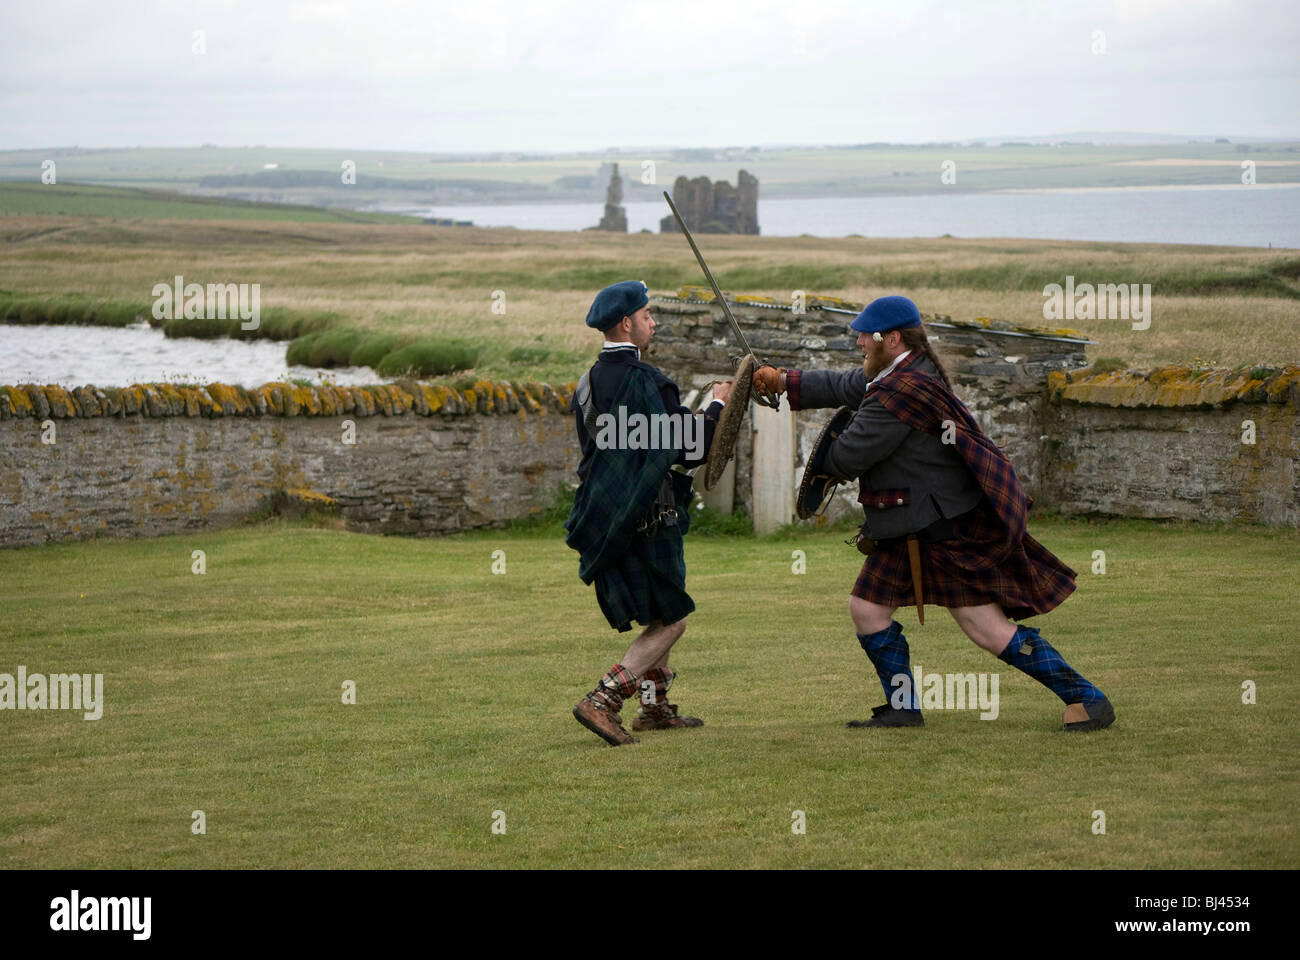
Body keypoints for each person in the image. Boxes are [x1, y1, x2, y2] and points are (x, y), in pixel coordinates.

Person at [752, 295, 1115, 732]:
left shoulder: (902, 390)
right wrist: (784, 382)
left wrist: (824, 452)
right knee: (867, 610)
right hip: (909, 524)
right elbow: (846, 384)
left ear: (893, 338)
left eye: (867, 336)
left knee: (986, 629)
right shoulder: (900, 371)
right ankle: (903, 708)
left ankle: (1086, 698)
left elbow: (847, 456)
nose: (861, 343)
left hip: (939, 529)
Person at [564, 280, 731, 746]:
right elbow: (689, 449)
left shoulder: (586, 383)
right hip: (648, 517)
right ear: (626, 323)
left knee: (660, 612)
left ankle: (654, 709)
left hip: (605, 516)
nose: (652, 322)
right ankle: (603, 699)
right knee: (673, 618)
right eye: (646, 315)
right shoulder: (645, 382)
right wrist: (719, 404)